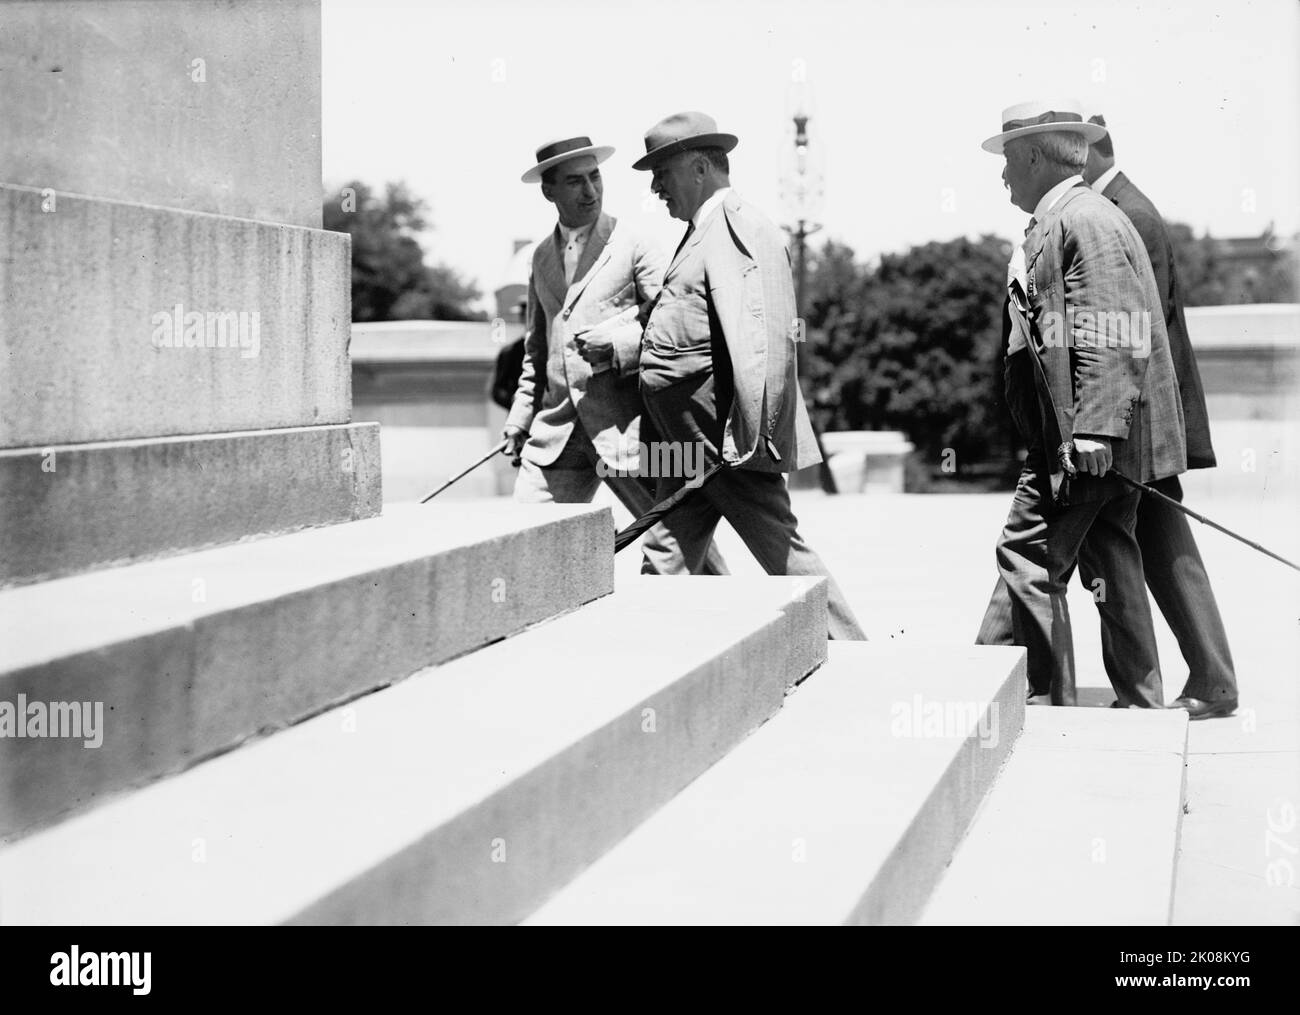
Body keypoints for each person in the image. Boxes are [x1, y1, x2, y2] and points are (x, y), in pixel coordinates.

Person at [977, 113, 1239, 719]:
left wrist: (1095, 426)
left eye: (1008, 161)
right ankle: (1142, 701)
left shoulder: (1084, 219)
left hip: (1084, 437)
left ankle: (1041, 698)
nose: (1003, 175)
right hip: (1077, 435)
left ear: (1038, 159)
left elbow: (1110, 328)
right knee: (1112, 556)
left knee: (1026, 551)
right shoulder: (1072, 217)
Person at [630, 111, 866, 640]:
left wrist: (752, 436)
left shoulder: (738, 226)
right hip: (685, 440)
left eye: (661, 172)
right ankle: (648, 651)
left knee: (778, 548)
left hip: (721, 440)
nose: (655, 187)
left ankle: (854, 651)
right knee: (667, 543)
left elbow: (764, 343)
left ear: (696, 168)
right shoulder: (704, 229)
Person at [504, 135, 727, 575]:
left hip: (628, 432)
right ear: (549, 191)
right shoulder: (539, 259)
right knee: (522, 544)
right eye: (574, 182)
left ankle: (722, 615)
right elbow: (537, 350)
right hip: (556, 436)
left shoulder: (635, 243)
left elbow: (675, 318)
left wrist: (620, 344)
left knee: (679, 540)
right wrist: (518, 418)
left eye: (595, 177)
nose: (590, 191)